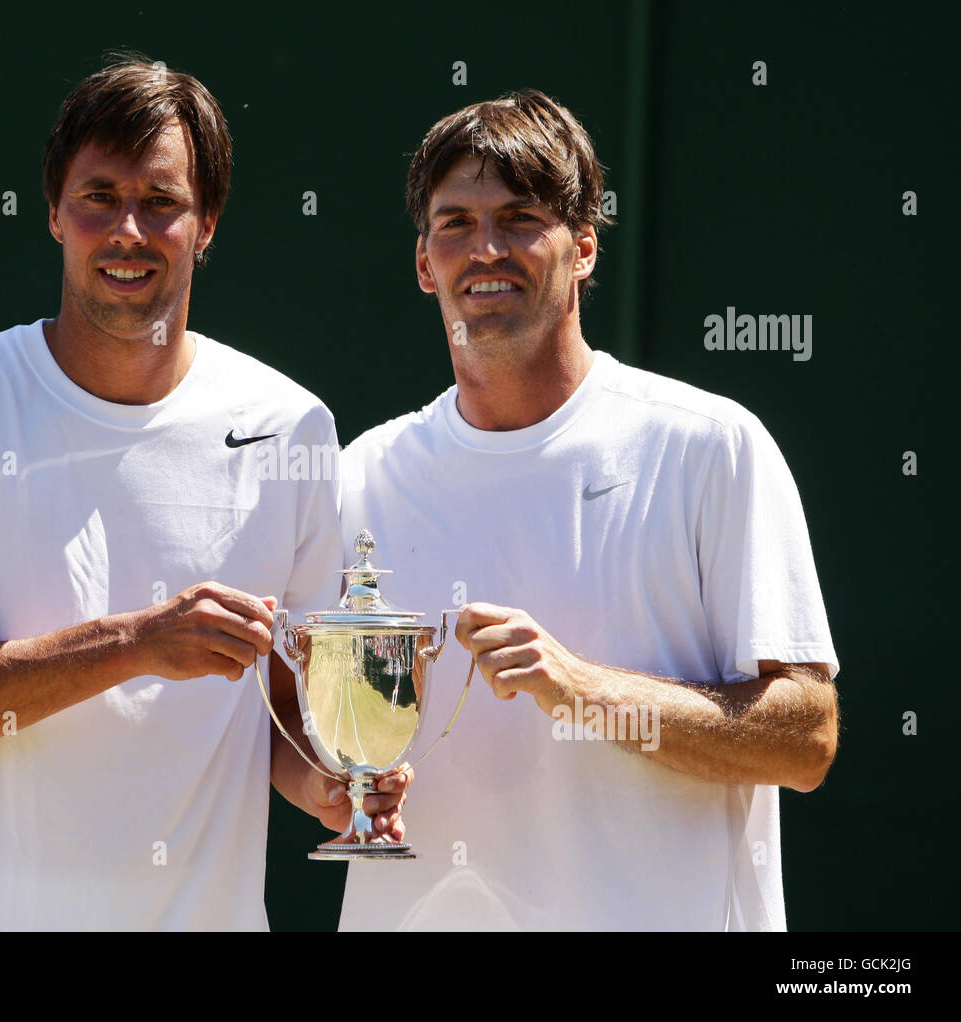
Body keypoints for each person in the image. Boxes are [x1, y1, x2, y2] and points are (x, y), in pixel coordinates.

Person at [0, 57, 359, 930]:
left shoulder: (291, 429)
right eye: (100, 196)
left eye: (163, 201)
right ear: (56, 214)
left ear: (207, 222)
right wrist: (136, 642)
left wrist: (330, 783)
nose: (128, 229)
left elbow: (282, 712)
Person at [321, 90, 839, 930]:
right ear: (425, 264)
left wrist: (581, 688)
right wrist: (333, 782)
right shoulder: (359, 477)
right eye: (455, 223)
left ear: (585, 249)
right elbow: (319, 751)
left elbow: (805, 738)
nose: (486, 248)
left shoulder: (711, 447)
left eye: (521, 217)